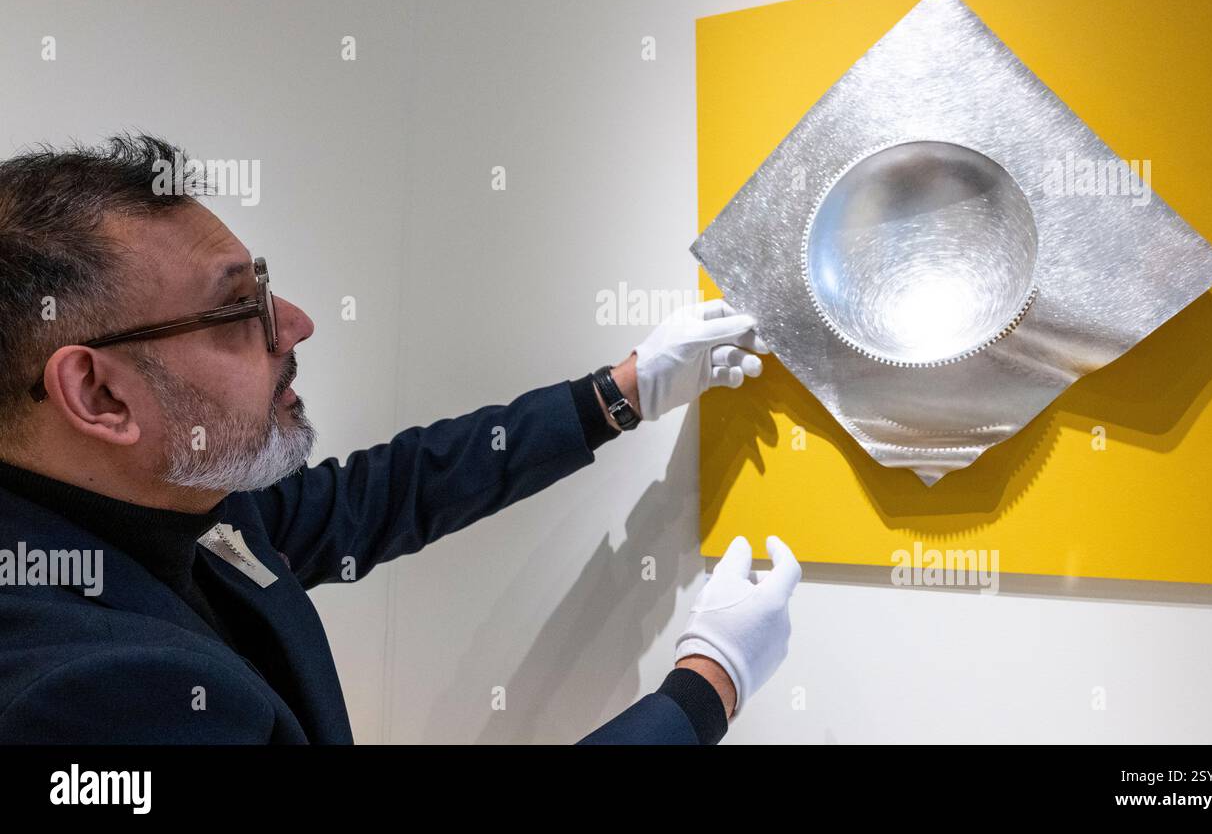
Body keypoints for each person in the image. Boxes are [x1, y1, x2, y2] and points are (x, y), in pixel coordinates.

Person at [0, 133, 800, 745]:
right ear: (100, 394)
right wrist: (706, 687)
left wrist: (619, 393)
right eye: (237, 310)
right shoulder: (90, 694)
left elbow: (376, 497)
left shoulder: (160, 498)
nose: (296, 325)